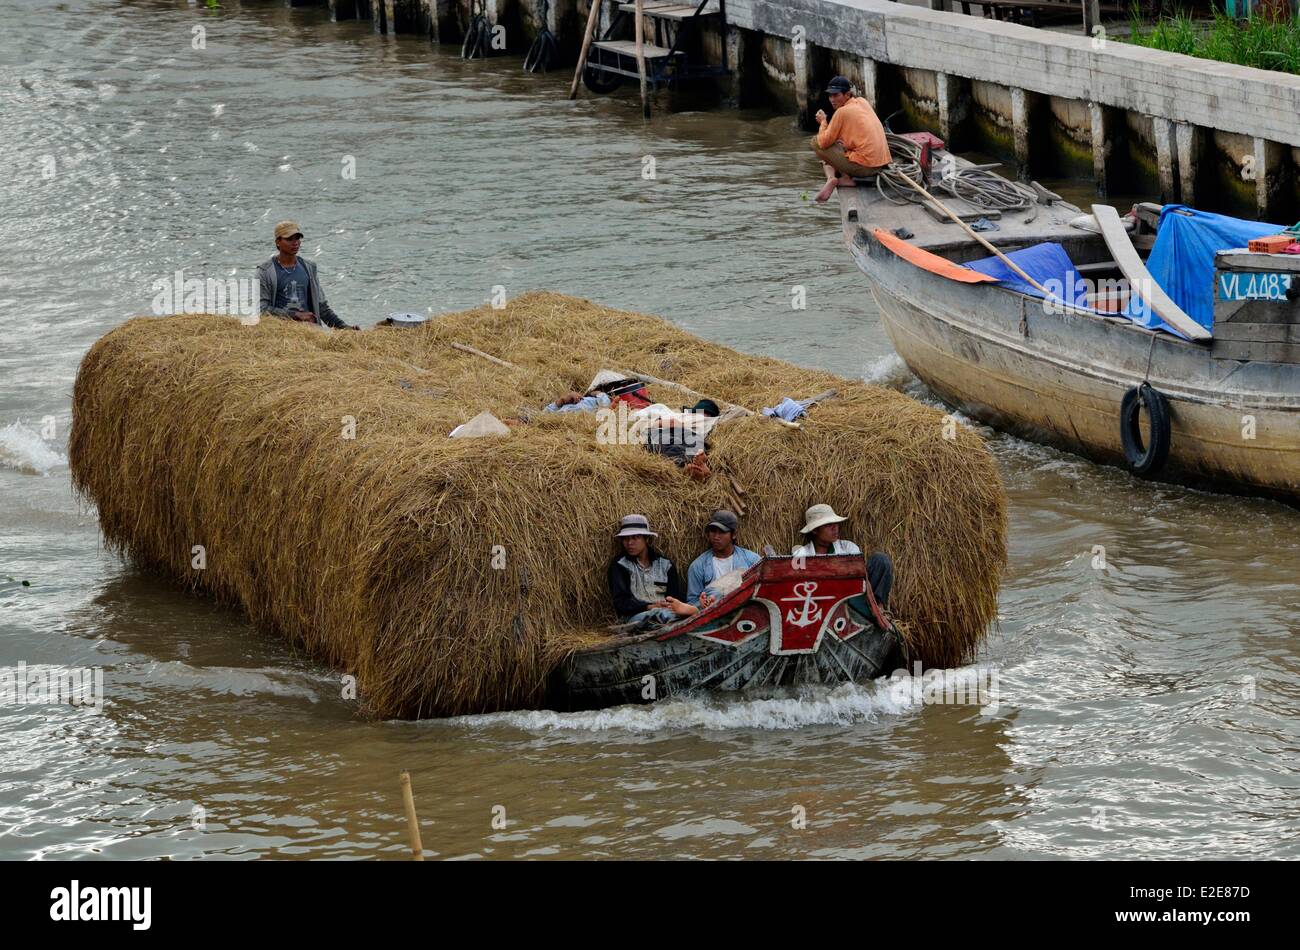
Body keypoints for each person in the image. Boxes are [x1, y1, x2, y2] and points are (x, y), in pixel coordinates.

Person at [256, 221, 357, 329]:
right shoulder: (265, 271)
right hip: (280, 330)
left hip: (310, 330)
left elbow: (322, 307)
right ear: (278, 242)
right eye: (289, 239)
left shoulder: (309, 268)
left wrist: (344, 328)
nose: (295, 242)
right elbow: (262, 309)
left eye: (297, 238)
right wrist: (295, 316)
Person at [791, 503, 894, 610]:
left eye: (835, 523)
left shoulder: (848, 548)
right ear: (815, 530)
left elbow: (860, 579)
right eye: (828, 525)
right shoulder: (801, 554)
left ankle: (877, 610)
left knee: (880, 560)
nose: (835, 528)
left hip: (852, 601)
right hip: (818, 604)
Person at [809, 76, 891, 204]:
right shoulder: (862, 102)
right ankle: (837, 178)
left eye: (836, 95)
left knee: (815, 142)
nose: (832, 99)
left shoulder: (841, 112)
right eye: (830, 96)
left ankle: (836, 178)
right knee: (835, 147)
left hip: (867, 168)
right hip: (881, 162)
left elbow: (822, 142)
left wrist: (823, 122)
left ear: (847, 94)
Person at [607, 514, 687, 629]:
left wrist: (669, 605)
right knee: (661, 616)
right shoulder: (620, 565)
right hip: (635, 617)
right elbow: (621, 603)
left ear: (647, 539)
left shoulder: (665, 565)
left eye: (635, 537)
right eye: (625, 538)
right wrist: (650, 606)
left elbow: (674, 595)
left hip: (667, 611)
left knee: (691, 608)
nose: (629, 543)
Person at [678, 509, 762, 614]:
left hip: (743, 613)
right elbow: (691, 603)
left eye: (722, 532)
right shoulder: (698, 566)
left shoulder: (751, 560)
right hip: (712, 616)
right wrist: (701, 604)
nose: (716, 537)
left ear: (733, 535)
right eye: (713, 531)